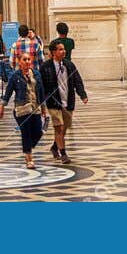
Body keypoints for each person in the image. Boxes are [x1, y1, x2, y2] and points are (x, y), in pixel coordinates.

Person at [39, 36, 88, 165]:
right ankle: (64, 153)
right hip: (53, 102)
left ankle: (55, 146)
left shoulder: (69, 65)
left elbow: (77, 80)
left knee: (64, 128)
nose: (63, 52)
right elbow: (41, 85)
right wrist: (41, 102)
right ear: (54, 52)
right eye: (60, 49)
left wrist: (82, 94)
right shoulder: (45, 67)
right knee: (59, 127)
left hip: (68, 100)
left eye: (64, 49)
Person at [0, 49, 49, 170]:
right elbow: (8, 92)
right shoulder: (15, 76)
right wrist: (2, 107)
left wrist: (43, 108)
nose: (27, 61)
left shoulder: (36, 74)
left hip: (35, 108)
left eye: (28, 59)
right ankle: (29, 158)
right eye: (24, 59)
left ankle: (27, 148)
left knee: (38, 131)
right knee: (26, 133)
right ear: (19, 62)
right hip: (21, 109)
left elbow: (41, 92)